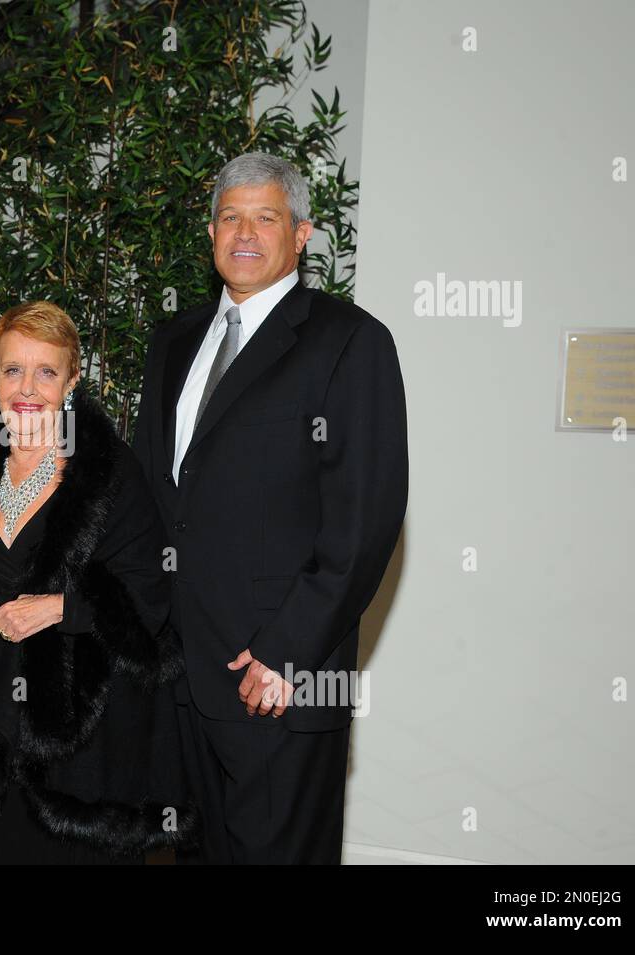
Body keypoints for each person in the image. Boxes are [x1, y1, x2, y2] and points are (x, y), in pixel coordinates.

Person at [133, 152, 408, 864]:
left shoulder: (350, 342)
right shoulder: (173, 343)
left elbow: (364, 521)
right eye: (230, 216)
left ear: (303, 234)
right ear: (211, 231)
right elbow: (155, 497)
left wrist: (288, 652)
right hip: (182, 676)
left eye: (266, 217)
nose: (245, 232)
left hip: (278, 680)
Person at [0, 301, 195, 864]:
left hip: (84, 747)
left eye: (47, 371)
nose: (28, 388)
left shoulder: (110, 474)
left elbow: (152, 597)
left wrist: (63, 609)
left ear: (73, 379)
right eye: (12, 370)